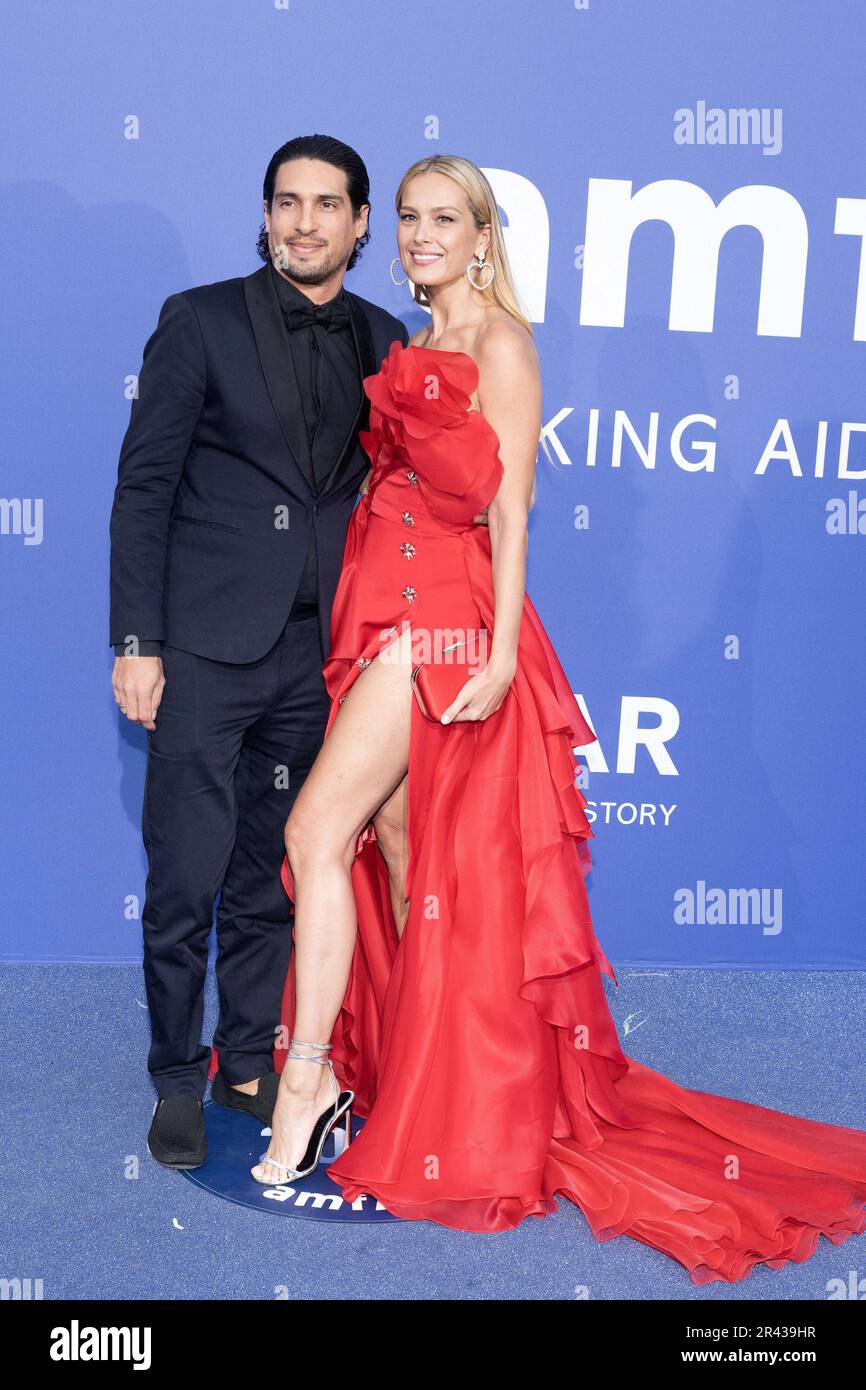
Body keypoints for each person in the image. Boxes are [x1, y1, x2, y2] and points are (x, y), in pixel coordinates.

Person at [251, 154, 866, 1285]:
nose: (420, 236)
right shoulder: (410, 340)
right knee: (393, 852)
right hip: (372, 603)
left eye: (445, 220)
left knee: (311, 836)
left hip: (436, 625)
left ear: (482, 235)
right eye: (408, 219)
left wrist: (489, 652)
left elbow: (509, 510)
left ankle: (308, 1079)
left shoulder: (500, 345)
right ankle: (396, 1071)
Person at [108, 134, 410, 1170]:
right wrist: (139, 642)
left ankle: (245, 1060)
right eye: (288, 201)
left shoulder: (383, 337)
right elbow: (143, 488)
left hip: (318, 654)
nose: (305, 221)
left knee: (275, 873)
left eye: (328, 204)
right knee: (184, 874)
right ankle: (173, 1077)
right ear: (267, 210)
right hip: (201, 649)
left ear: (360, 222)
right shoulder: (197, 320)